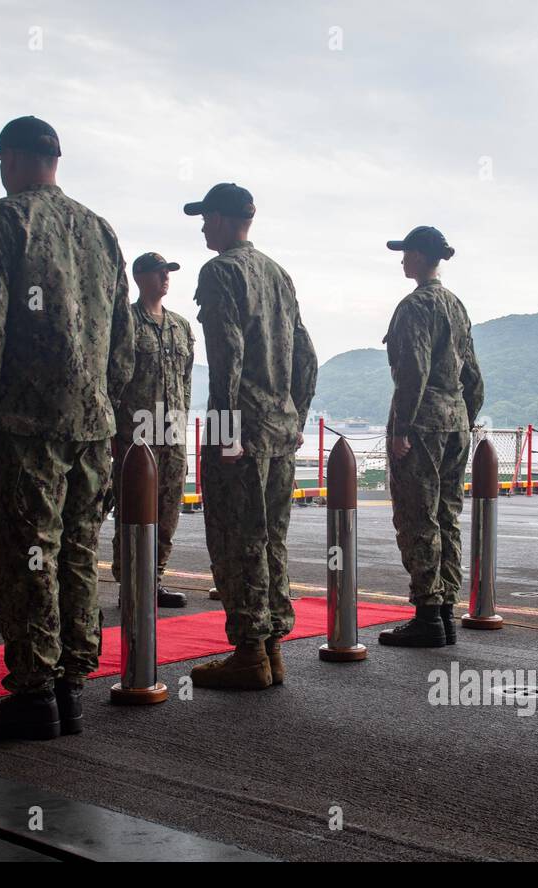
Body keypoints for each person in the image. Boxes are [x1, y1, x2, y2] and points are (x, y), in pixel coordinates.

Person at [0, 116, 134, 740]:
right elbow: (123, 341)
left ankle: (34, 693)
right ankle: (70, 688)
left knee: (27, 554)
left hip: (26, 424)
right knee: (77, 553)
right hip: (91, 425)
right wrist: (106, 409)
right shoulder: (100, 230)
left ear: (11, 159)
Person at [184, 183, 318, 690]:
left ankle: (248, 653)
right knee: (270, 539)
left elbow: (227, 358)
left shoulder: (221, 272)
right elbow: (306, 356)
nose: (201, 226)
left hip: (240, 431)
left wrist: (225, 432)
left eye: (205, 217)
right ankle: (271, 650)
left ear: (222, 219)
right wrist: (296, 416)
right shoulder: (278, 274)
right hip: (279, 431)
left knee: (236, 538)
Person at [378, 226, 484, 648]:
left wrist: (402, 428)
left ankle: (426, 614)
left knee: (416, 518)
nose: (402, 259)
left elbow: (413, 371)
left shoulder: (414, 306)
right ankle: (444, 614)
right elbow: (473, 375)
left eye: (406, 253)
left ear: (420, 256)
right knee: (447, 517)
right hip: (455, 422)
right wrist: (464, 418)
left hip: (422, 425)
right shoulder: (456, 306)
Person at [109, 251, 194, 609]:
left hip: (171, 432)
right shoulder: (126, 322)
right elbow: (113, 376)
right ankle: (131, 579)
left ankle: (153, 578)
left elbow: (186, 379)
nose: (165, 278)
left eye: (168, 272)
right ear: (140, 276)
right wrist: (113, 430)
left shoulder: (180, 325)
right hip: (136, 433)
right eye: (159, 272)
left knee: (167, 509)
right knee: (133, 507)